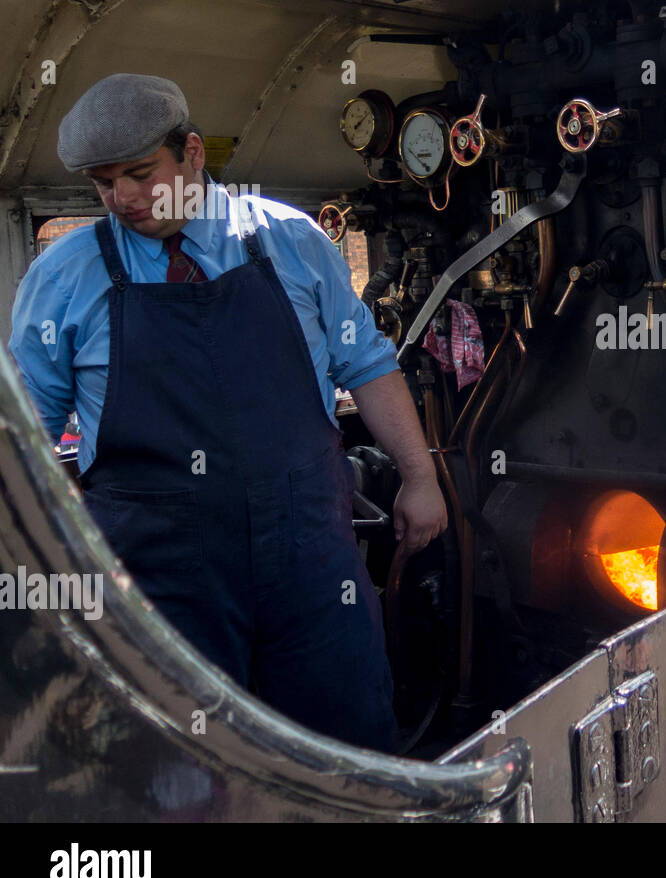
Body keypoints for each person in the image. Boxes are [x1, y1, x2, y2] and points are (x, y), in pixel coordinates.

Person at [7, 74, 448, 753]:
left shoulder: (289, 242)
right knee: (178, 771)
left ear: (191, 152)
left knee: (348, 752)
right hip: (157, 581)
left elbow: (366, 364)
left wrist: (419, 476)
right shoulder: (65, 277)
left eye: (138, 173)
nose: (122, 199)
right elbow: (27, 437)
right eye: (102, 183)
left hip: (307, 559)